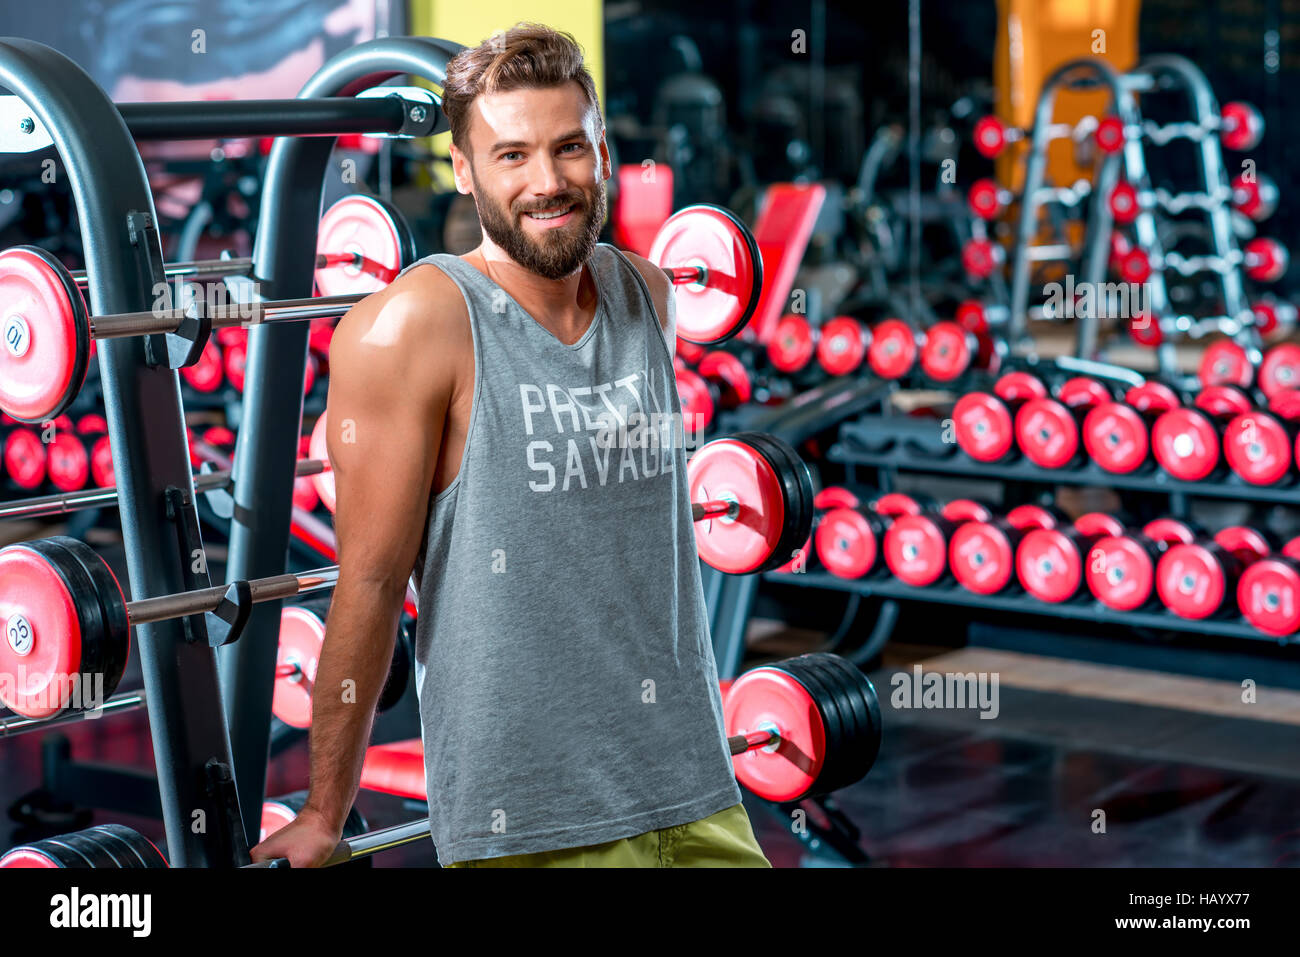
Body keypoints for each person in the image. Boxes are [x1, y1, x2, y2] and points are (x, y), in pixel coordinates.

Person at [250, 22, 770, 868]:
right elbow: (371, 584)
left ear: (603, 150)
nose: (549, 181)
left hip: (694, 787)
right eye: (512, 155)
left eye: (569, 147)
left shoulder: (645, 297)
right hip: (529, 818)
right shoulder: (417, 326)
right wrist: (323, 810)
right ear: (464, 171)